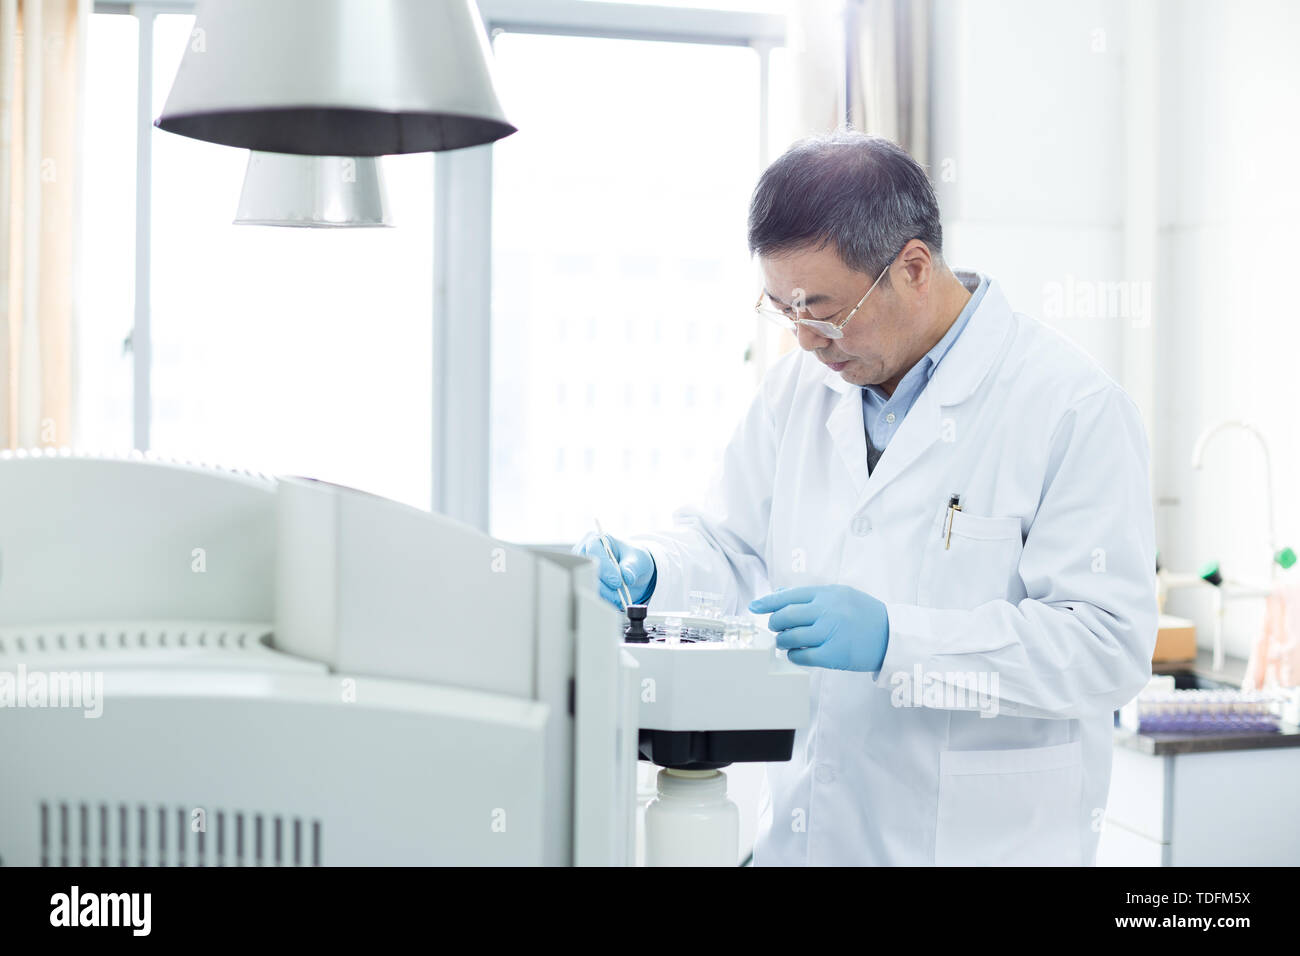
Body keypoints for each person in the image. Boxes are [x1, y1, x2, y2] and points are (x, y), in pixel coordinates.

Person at [575, 130, 1157, 866]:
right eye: (784, 312)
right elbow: (728, 545)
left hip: (980, 846)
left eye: (823, 312)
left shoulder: (1071, 407)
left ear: (913, 267)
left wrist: (897, 641)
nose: (806, 341)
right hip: (811, 837)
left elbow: (1107, 647)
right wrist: (655, 568)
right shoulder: (798, 392)